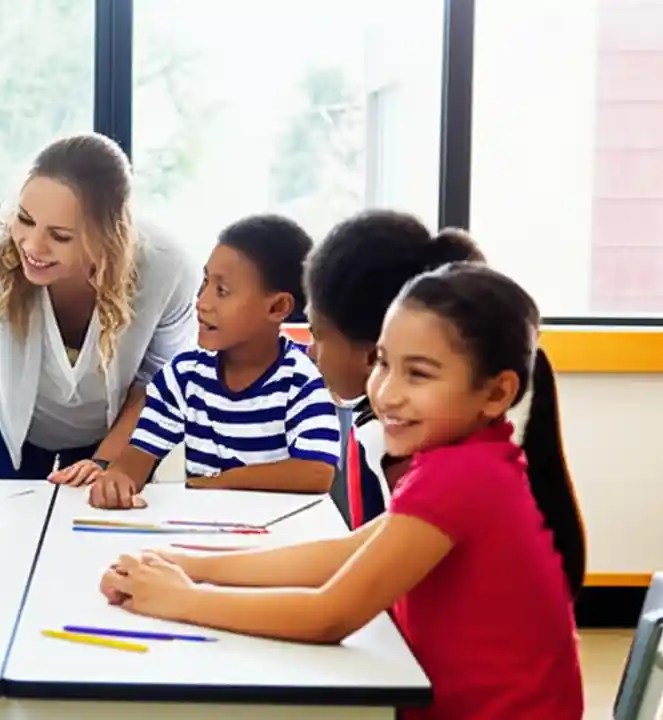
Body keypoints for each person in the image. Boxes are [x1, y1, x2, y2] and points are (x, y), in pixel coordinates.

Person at [101, 263, 587, 720]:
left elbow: (330, 616)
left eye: (418, 374)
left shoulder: (463, 476)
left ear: (497, 393)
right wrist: (193, 565)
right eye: (383, 363)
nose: (387, 392)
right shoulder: (468, 460)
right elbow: (344, 554)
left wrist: (183, 599)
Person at [0, 132, 198, 509]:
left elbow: (160, 383)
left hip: (113, 428)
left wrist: (107, 463)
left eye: (60, 236)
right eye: (25, 220)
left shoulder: (165, 265)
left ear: (108, 237)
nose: (32, 246)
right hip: (1, 418)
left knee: (94, 530)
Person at [89, 215, 339, 509]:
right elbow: (141, 451)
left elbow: (317, 472)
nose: (202, 302)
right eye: (205, 282)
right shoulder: (184, 376)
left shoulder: (302, 381)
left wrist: (219, 483)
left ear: (277, 307)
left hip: (278, 532)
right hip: (206, 526)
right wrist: (118, 477)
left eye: (222, 291)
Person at [303, 210, 485, 526]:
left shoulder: (395, 441)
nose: (310, 351)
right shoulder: (440, 425)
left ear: (372, 356)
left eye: (317, 333)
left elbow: (385, 553)